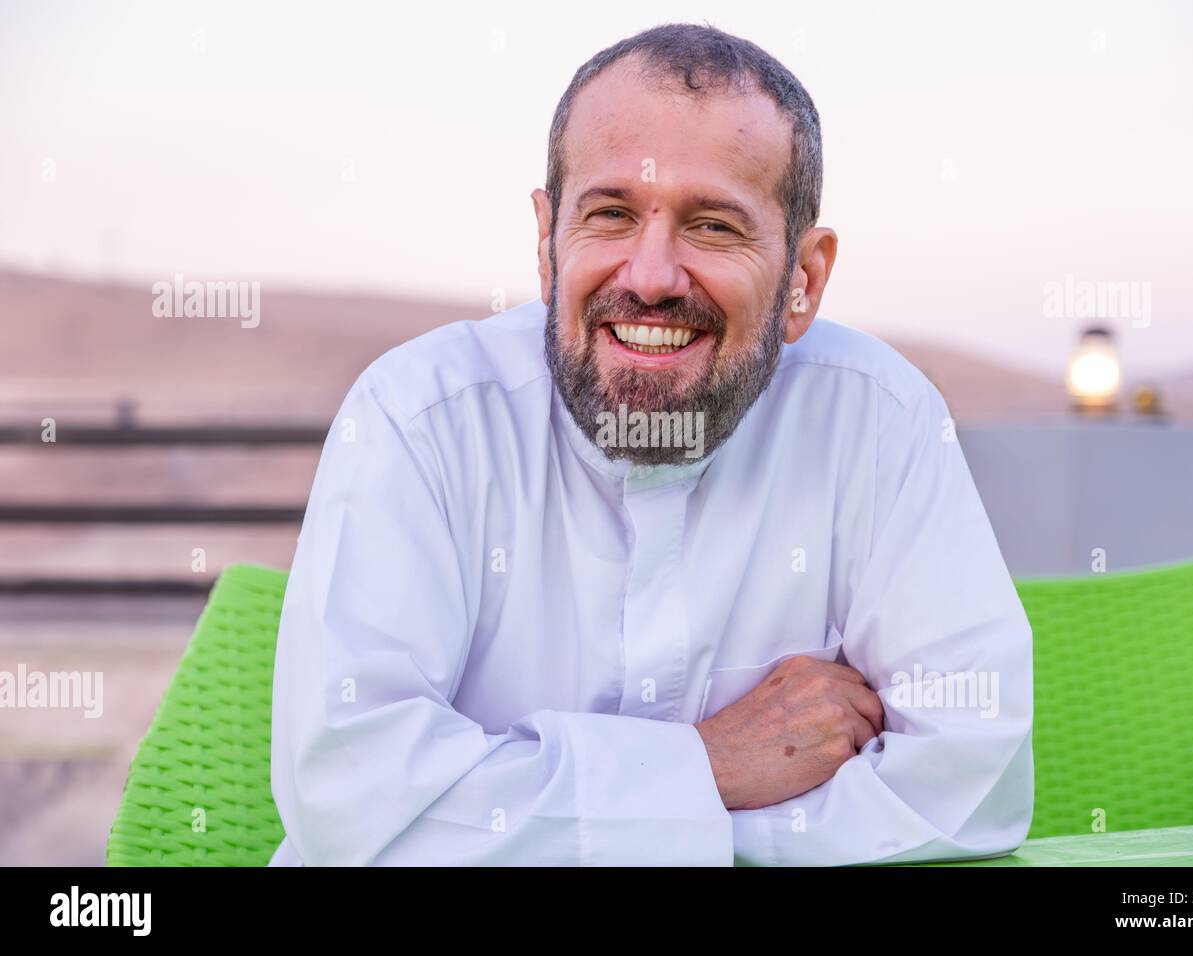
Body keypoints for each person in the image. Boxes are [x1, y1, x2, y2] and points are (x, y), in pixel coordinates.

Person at [267, 22, 1033, 866]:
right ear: (545, 240)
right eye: (611, 215)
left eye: (712, 226)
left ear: (803, 279)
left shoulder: (879, 421)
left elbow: (969, 784)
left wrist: (624, 822)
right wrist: (710, 767)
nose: (651, 276)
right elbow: (350, 801)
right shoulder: (418, 419)